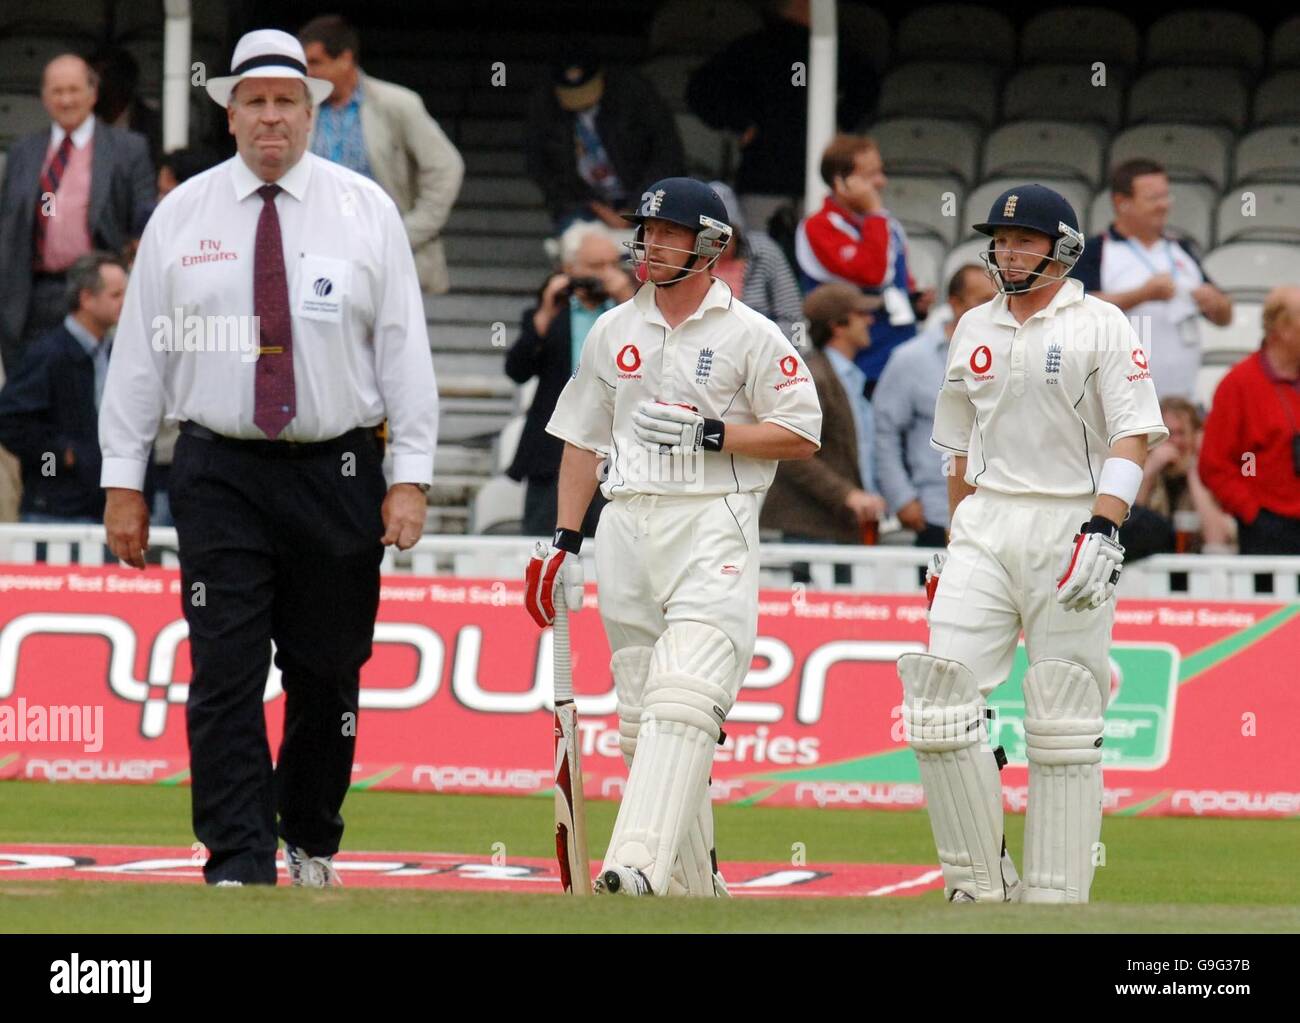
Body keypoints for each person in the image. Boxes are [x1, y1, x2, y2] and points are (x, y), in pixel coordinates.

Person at [98, 29, 439, 888]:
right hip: (219, 469)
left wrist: (410, 476)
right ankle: (238, 858)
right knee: (225, 672)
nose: (272, 117)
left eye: (288, 100)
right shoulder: (180, 215)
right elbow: (139, 356)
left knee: (327, 673)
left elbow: (404, 350)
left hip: (341, 470)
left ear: (312, 111)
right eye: (255, 102)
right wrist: (121, 482)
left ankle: (311, 837)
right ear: (233, 115)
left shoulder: (367, 210)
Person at [523, 177, 821, 897]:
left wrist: (712, 433)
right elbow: (580, 441)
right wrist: (563, 540)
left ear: (710, 245)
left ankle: (633, 868)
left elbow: (802, 432)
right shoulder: (612, 328)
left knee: (683, 699)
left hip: (711, 518)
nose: (650, 243)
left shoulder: (752, 334)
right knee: (639, 718)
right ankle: (693, 893)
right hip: (626, 525)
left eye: (668, 232)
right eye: (645, 231)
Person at [899, 184, 1167, 905]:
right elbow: (956, 451)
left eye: (1026, 240)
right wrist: (955, 543)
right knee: (937, 701)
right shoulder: (971, 327)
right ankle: (981, 885)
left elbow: (1132, 430)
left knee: (1063, 714)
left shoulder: (1102, 323)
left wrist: (1106, 527)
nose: (1010, 251)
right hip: (986, 522)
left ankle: (1055, 900)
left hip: (1069, 523)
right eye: (1002, 240)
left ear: (1063, 250)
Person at [0, 54, 153, 374]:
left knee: (93, 399)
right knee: (30, 400)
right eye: (57, 91)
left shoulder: (128, 149)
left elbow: (145, 222)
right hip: (35, 297)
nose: (66, 99)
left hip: (96, 292)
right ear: (44, 98)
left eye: (74, 89)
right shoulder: (24, 152)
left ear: (93, 93)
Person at [300, 14, 465, 295]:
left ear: (346, 59)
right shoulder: (301, 109)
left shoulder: (397, 104)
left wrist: (408, 230)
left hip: (387, 257)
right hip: (319, 255)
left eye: (315, 63)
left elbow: (446, 168)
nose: (308, 74)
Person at [685, 0, 877, 232]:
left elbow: (867, 86)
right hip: (767, 175)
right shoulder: (756, 48)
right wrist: (743, 124)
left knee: (812, 251)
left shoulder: (832, 48)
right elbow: (700, 90)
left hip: (811, 175)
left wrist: (840, 125)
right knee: (765, 253)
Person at [505, 221, 634, 536]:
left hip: (619, 452)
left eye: (612, 265)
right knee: (545, 544)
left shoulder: (632, 313)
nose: (605, 273)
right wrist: (545, 314)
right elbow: (517, 370)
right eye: (595, 266)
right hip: (553, 451)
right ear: (569, 268)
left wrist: (628, 299)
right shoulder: (551, 312)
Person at [1069, 158, 1232, 400]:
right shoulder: (1097, 250)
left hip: (1182, 400)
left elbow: (1225, 317)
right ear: (1121, 202)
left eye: (1166, 196)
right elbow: (1075, 308)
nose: (1163, 205)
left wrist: (1216, 303)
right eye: (1153, 198)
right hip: (1121, 399)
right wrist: (1141, 295)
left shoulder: (1182, 249)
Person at [762, 283, 885, 580]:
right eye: (860, 314)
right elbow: (790, 450)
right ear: (838, 325)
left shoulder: (840, 376)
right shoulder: (815, 377)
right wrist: (848, 494)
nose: (870, 320)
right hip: (809, 527)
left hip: (832, 525)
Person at [795, 134, 930, 394]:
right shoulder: (818, 227)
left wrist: (917, 302)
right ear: (840, 181)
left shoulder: (886, 224)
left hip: (898, 357)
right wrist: (874, 214)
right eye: (870, 175)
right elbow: (873, 275)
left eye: (880, 172)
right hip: (854, 366)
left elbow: (901, 284)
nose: (882, 182)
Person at [873, 264, 997, 547]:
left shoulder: (1016, 354)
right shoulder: (911, 358)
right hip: (933, 515)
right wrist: (902, 498)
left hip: (998, 514)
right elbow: (885, 432)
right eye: (983, 301)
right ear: (954, 304)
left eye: (998, 300)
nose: (994, 309)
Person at [0, 253, 126, 523]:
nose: (125, 303)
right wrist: (61, 459)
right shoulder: (47, 354)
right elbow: (10, 422)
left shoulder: (118, 353)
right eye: (116, 295)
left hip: (106, 509)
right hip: (53, 511)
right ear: (86, 298)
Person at [526, 46, 684, 232]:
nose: (582, 102)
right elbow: (541, 168)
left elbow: (666, 154)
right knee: (578, 241)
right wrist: (596, 206)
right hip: (584, 203)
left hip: (647, 194)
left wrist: (635, 207)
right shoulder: (544, 108)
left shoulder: (634, 94)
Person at [1198, 286, 1300, 555]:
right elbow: (1214, 465)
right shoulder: (1238, 385)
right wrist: (1252, 513)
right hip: (1269, 530)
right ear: (1281, 329)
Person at [1122, 396, 1233, 558]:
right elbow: (1127, 524)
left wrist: (1193, 469)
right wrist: (1151, 470)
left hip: (1199, 572)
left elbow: (1216, 539)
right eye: (1169, 433)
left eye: (1182, 433)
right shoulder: (1144, 470)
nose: (1175, 441)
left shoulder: (1210, 477)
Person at [707, 181, 804, 340]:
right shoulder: (685, 259)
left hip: (759, 352)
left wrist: (756, 343)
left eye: (723, 230)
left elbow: (794, 319)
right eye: (708, 231)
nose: (717, 239)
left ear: (737, 230)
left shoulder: (764, 251)